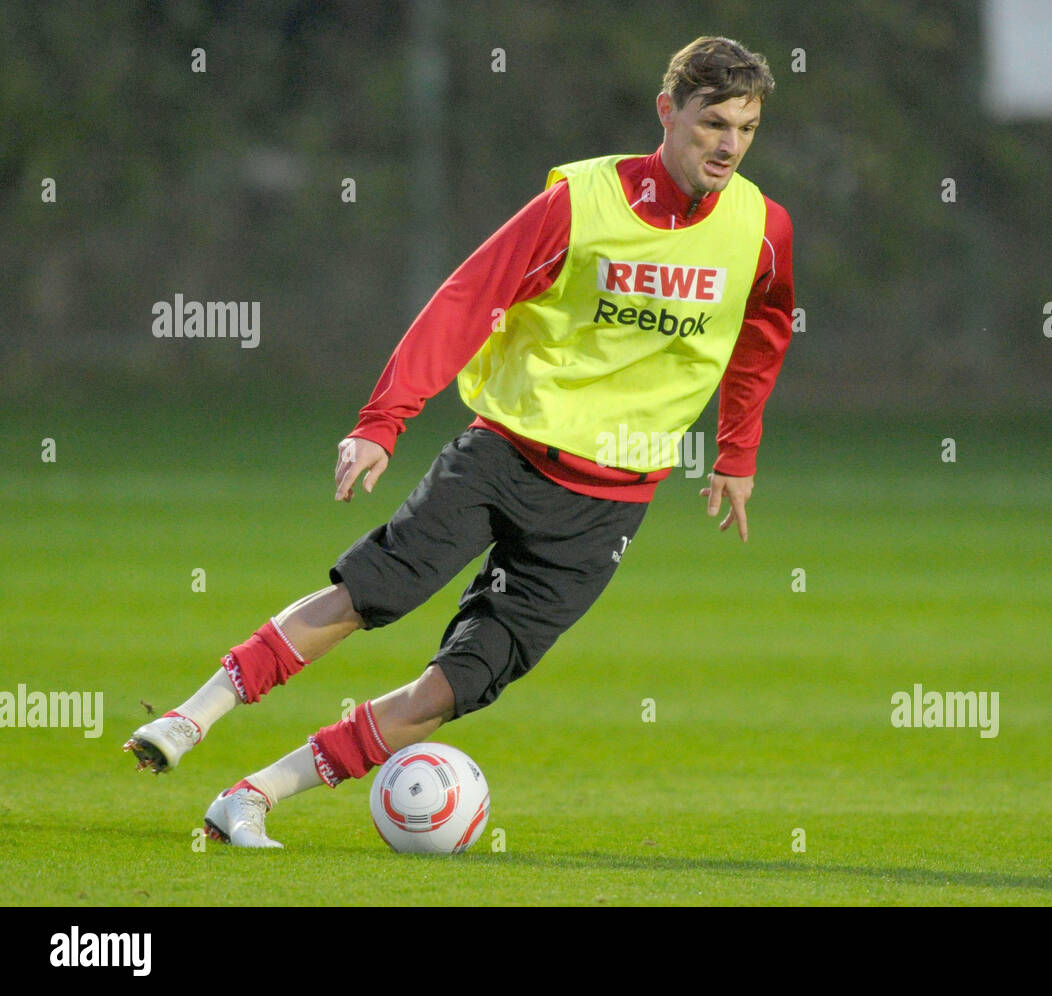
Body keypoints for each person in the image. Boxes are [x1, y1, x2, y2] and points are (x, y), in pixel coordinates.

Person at [124, 35, 795, 847]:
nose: (728, 145)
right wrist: (384, 421)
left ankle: (253, 797)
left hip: (609, 504)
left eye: (746, 128)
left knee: (460, 686)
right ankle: (194, 717)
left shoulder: (761, 227)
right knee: (374, 592)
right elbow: (469, 298)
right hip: (506, 456)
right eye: (712, 121)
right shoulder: (582, 203)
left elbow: (763, 329)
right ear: (667, 111)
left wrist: (736, 452)